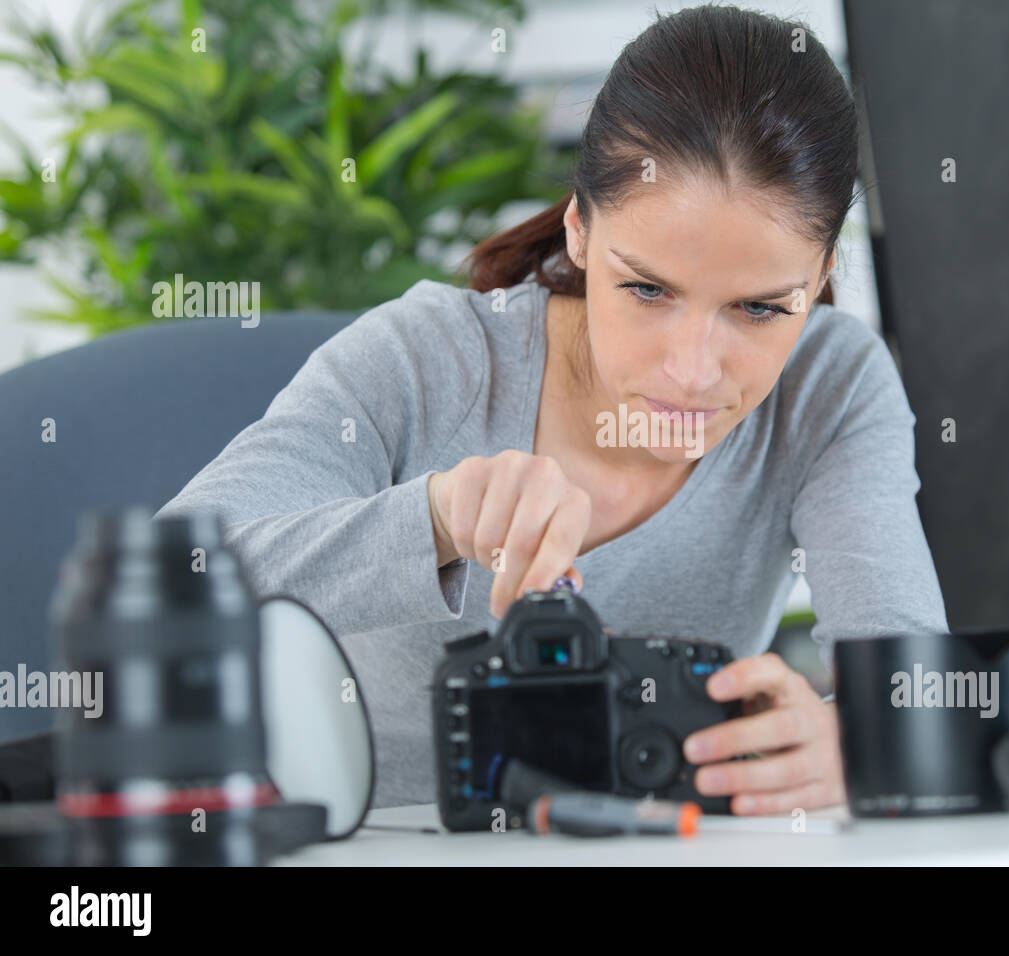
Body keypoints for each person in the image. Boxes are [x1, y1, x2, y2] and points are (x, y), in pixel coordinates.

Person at [154, 4, 949, 813]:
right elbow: (163, 588)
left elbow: (907, 682)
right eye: (646, 288)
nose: (692, 372)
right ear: (578, 226)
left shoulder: (832, 387)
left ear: (819, 279)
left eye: (759, 309)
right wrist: (434, 519)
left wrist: (857, 740)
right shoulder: (428, 356)